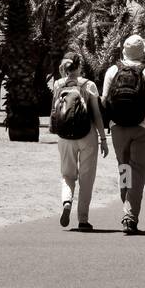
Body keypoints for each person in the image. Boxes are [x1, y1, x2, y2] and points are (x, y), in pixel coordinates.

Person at [102, 34, 145, 234]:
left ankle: (126, 206)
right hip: (142, 127)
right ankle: (130, 216)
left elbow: (104, 101)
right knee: (138, 171)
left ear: (124, 51)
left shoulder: (113, 70)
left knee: (124, 168)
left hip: (117, 127)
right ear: (143, 53)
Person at [49, 52, 107, 231]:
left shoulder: (58, 84)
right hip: (87, 134)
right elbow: (97, 114)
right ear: (79, 65)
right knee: (86, 178)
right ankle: (83, 219)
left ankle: (66, 201)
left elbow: (55, 110)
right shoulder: (89, 85)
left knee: (67, 175)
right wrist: (103, 138)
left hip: (65, 137)